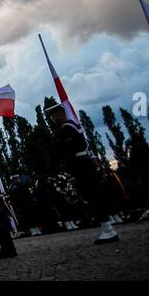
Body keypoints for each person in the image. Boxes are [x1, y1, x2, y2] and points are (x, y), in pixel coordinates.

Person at [46, 103, 118, 243]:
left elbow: (68, 151)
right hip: (83, 163)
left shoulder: (66, 128)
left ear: (62, 113)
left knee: (92, 196)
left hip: (81, 165)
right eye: (52, 116)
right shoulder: (71, 125)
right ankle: (106, 227)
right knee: (93, 196)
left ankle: (108, 230)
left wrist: (71, 172)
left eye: (55, 115)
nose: (54, 118)